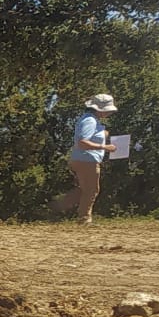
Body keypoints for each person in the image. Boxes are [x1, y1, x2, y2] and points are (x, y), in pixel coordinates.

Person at [51, 94, 119, 225]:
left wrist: (103, 134)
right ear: (99, 109)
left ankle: (58, 207)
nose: (109, 113)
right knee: (92, 189)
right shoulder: (90, 120)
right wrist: (105, 147)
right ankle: (83, 218)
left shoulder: (91, 120)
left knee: (85, 189)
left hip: (83, 159)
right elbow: (82, 142)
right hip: (87, 159)